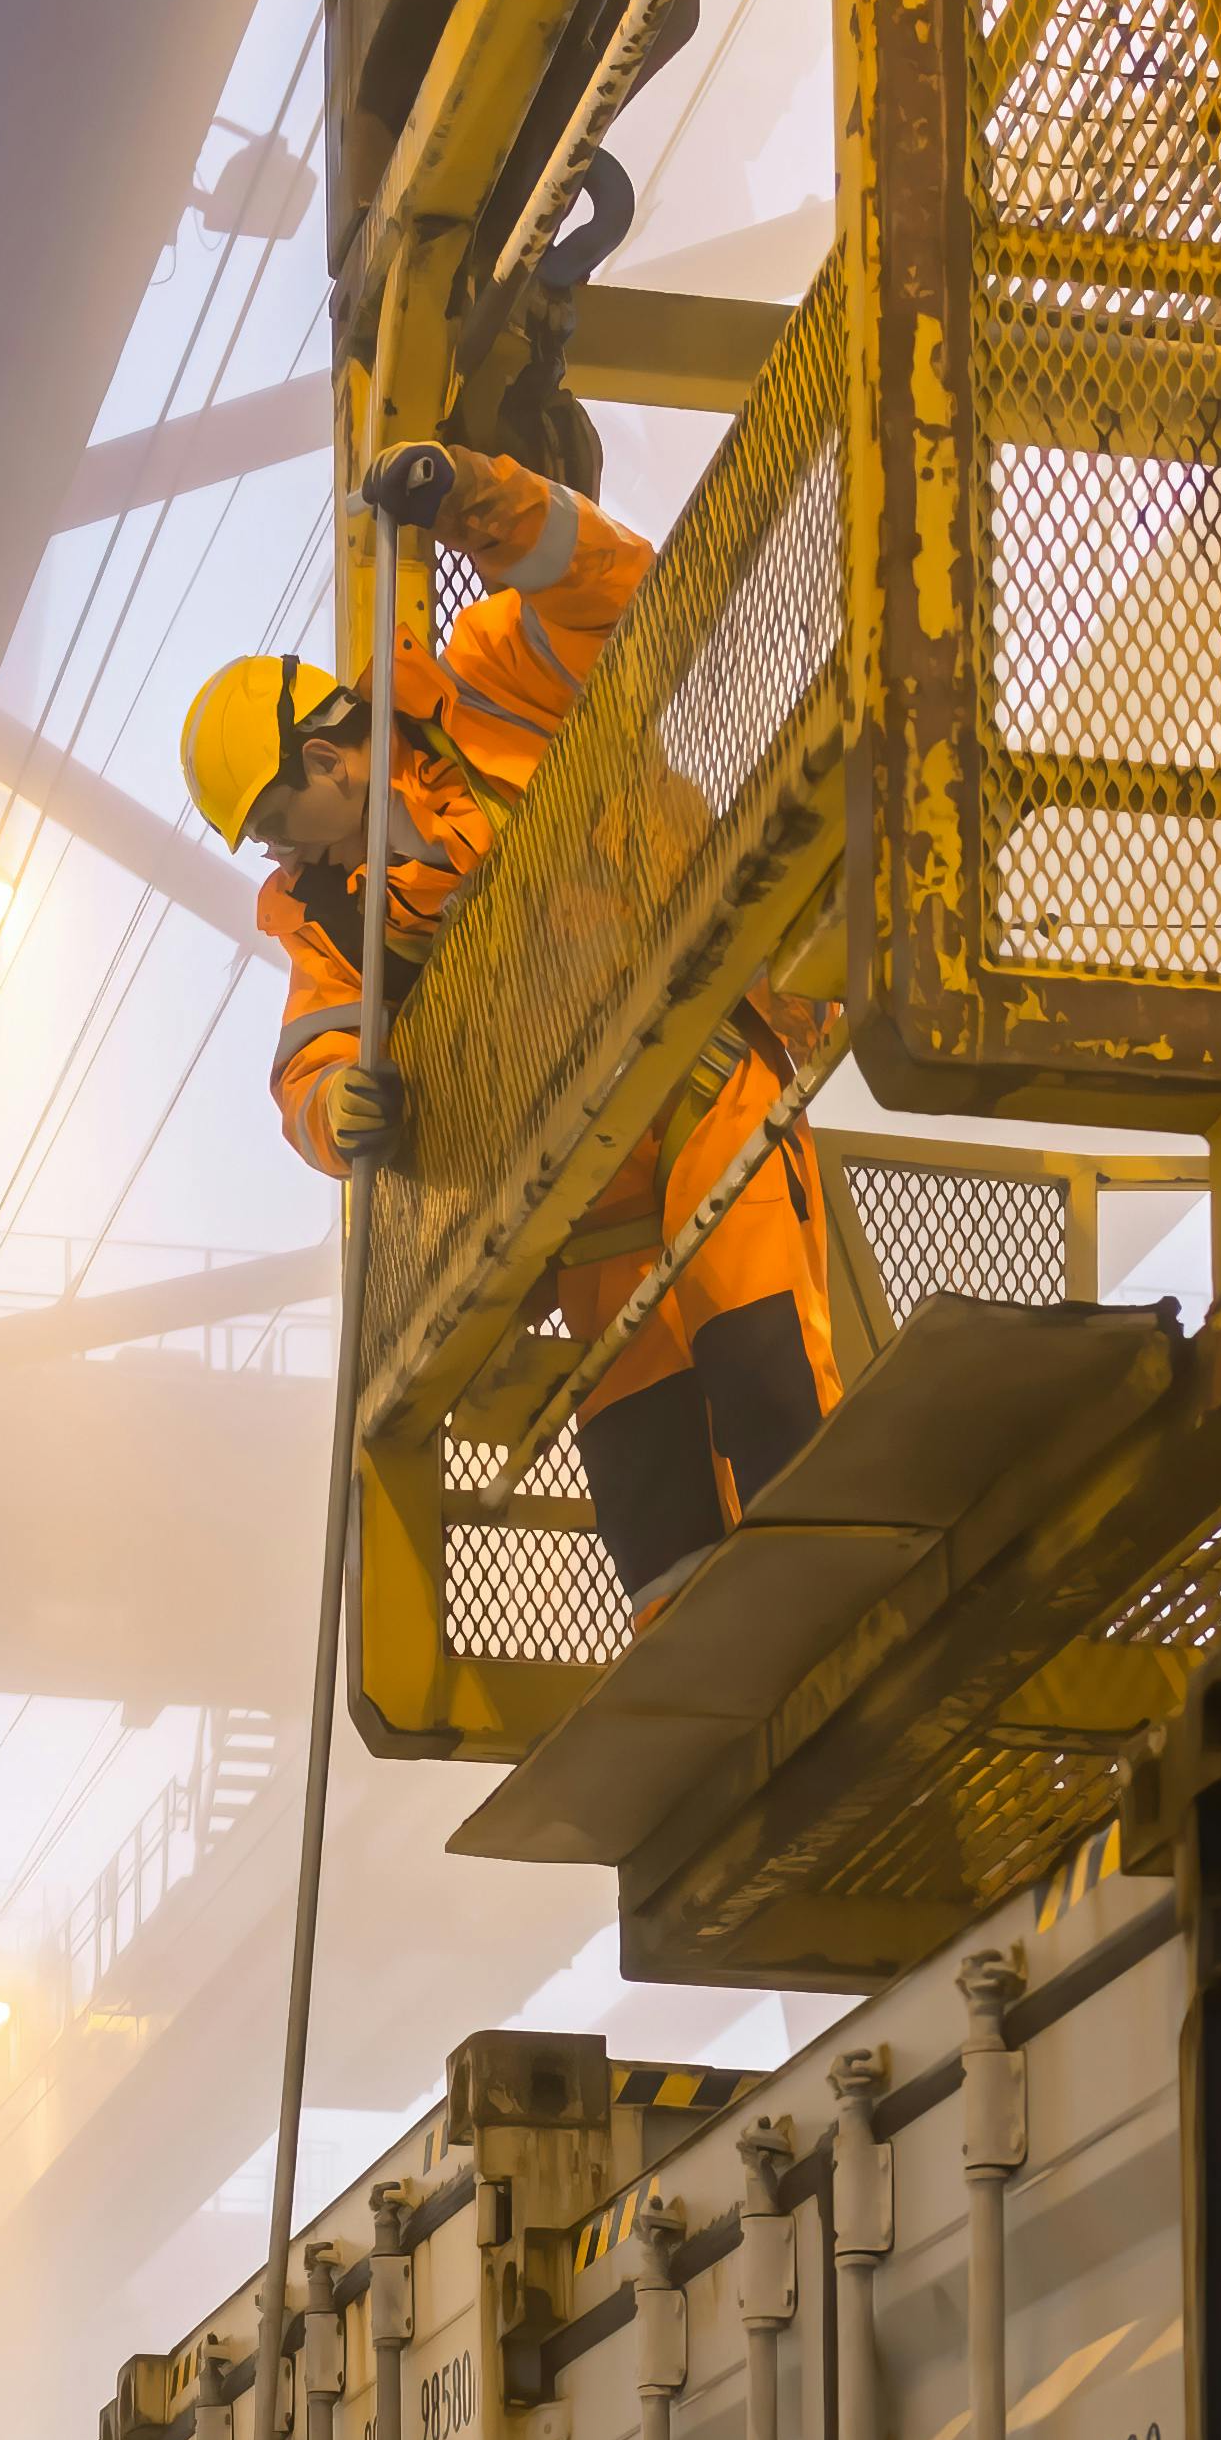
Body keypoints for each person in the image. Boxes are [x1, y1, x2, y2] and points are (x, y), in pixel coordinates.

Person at [181, 433, 839, 1604]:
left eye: (279, 811)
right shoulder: (330, 915)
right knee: (645, 1459)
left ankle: (825, 1589)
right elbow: (307, 1060)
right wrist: (343, 1109)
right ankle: (697, 1693)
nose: (277, 844)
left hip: (694, 1063)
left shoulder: (486, 678)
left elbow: (617, 585)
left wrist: (476, 500)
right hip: (579, 1166)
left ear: (326, 756)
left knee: (760, 1351)